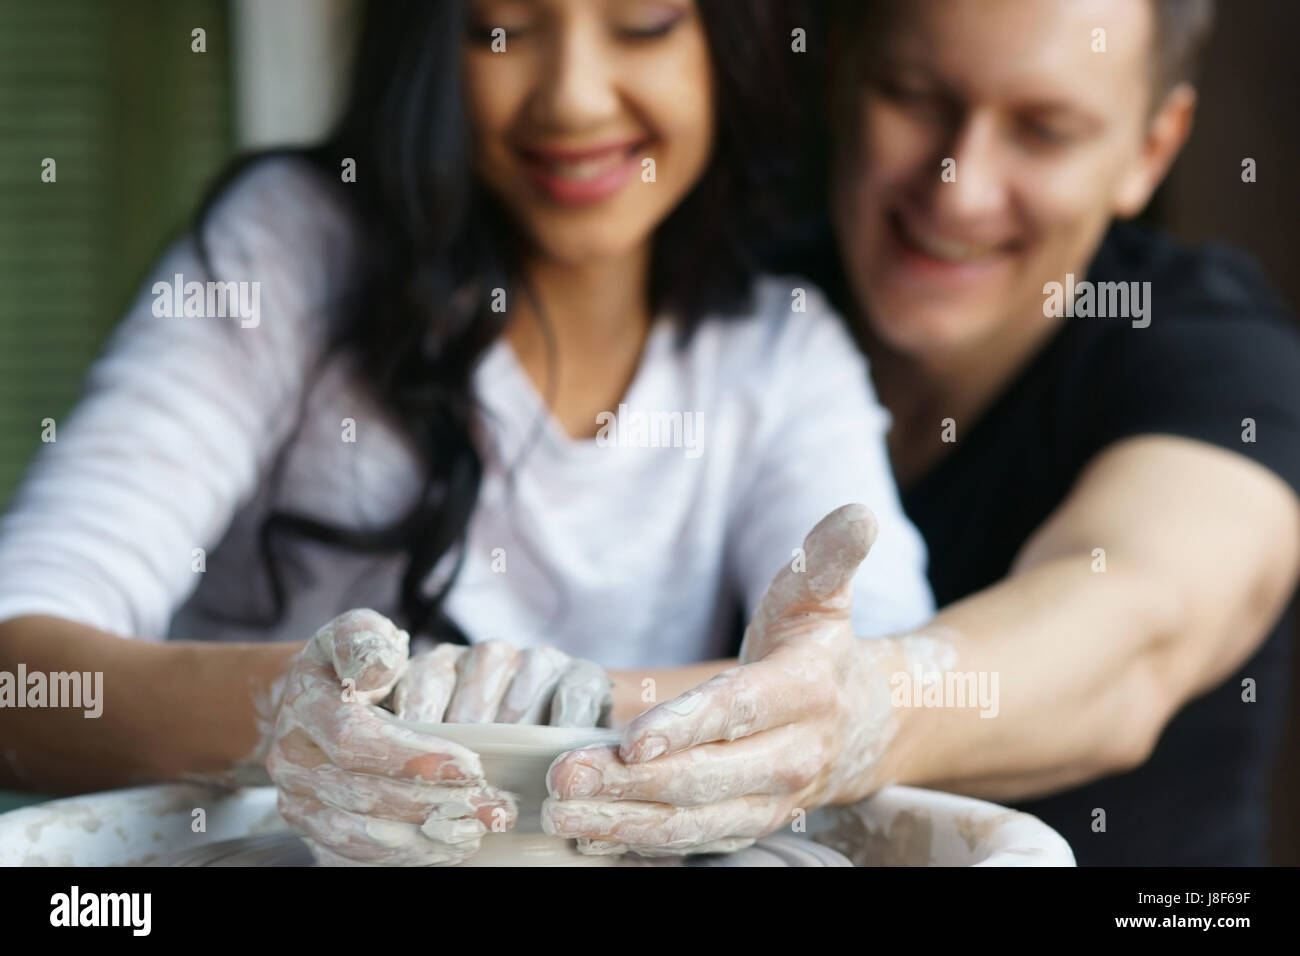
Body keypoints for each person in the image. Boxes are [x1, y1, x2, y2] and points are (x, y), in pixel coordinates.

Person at [0, 0, 934, 866]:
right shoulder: (287, 252)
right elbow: (18, 668)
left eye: (643, 23)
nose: (572, 98)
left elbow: (877, 681)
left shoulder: (780, 354)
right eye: (499, 28)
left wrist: (555, 719)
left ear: (731, 42)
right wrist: (277, 714)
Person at [543, 0, 1300, 865]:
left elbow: (1133, 635)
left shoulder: (1214, 355)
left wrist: (854, 707)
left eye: (1044, 131)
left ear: (1152, 149)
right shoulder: (742, 307)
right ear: (841, 79)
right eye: (911, 95)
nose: (957, 187)